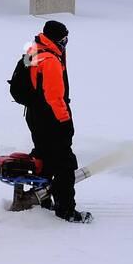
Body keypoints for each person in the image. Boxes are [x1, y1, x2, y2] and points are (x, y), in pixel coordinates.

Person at [24, 20, 90, 223]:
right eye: (64, 40)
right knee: (65, 163)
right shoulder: (50, 60)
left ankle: (42, 199)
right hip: (51, 116)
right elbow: (54, 97)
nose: (66, 43)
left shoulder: (32, 50)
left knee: (45, 156)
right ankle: (66, 209)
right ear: (55, 39)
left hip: (34, 114)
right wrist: (65, 122)